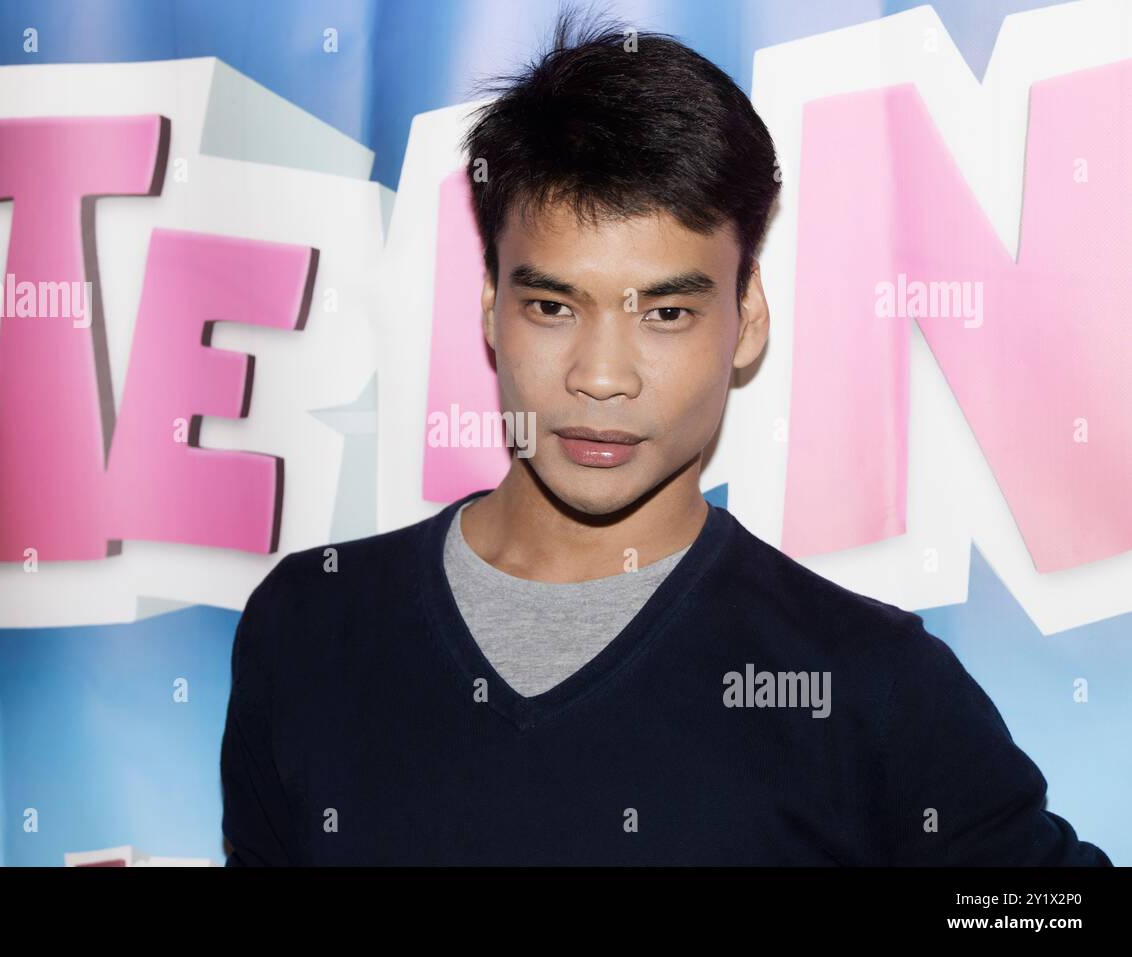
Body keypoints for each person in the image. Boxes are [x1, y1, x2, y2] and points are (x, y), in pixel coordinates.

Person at [219, 7, 1111, 866]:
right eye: (553, 305)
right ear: (492, 308)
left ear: (747, 316)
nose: (602, 374)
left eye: (668, 311)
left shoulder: (867, 685)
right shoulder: (308, 630)